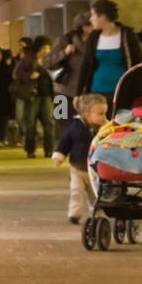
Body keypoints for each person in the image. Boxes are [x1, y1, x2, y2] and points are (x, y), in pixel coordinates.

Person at [76, 0, 142, 115]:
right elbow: (85, 65)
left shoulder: (127, 34)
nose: (90, 19)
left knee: (120, 126)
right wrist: (78, 93)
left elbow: (138, 63)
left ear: (102, 16)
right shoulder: (93, 37)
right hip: (95, 92)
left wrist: (138, 90)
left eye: (93, 15)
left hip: (121, 92)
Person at [52, 93, 108, 223]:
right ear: (87, 115)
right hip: (77, 168)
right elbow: (64, 142)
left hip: (95, 170)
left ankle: (97, 213)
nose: (104, 117)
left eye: (105, 113)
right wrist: (59, 155)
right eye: (100, 114)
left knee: (96, 194)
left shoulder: (105, 128)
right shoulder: (75, 128)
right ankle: (75, 213)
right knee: (76, 191)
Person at [14, 35, 55, 158]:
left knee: (49, 123)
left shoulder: (51, 61)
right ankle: (30, 150)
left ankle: (49, 150)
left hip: (47, 95)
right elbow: (18, 73)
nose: (46, 51)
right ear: (38, 48)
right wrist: (29, 75)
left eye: (48, 48)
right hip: (33, 96)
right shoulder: (28, 59)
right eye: (44, 48)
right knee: (30, 123)